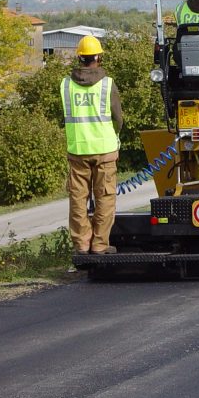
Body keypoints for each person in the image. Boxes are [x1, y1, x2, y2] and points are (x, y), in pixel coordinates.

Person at [61, 35, 123, 255]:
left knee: (78, 199)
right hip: (105, 150)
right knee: (105, 198)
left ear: (80, 56)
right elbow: (119, 119)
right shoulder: (107, 84)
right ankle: (99, 245)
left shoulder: (66, 84)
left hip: (77, 149)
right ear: (98, 56)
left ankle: (81, 244)